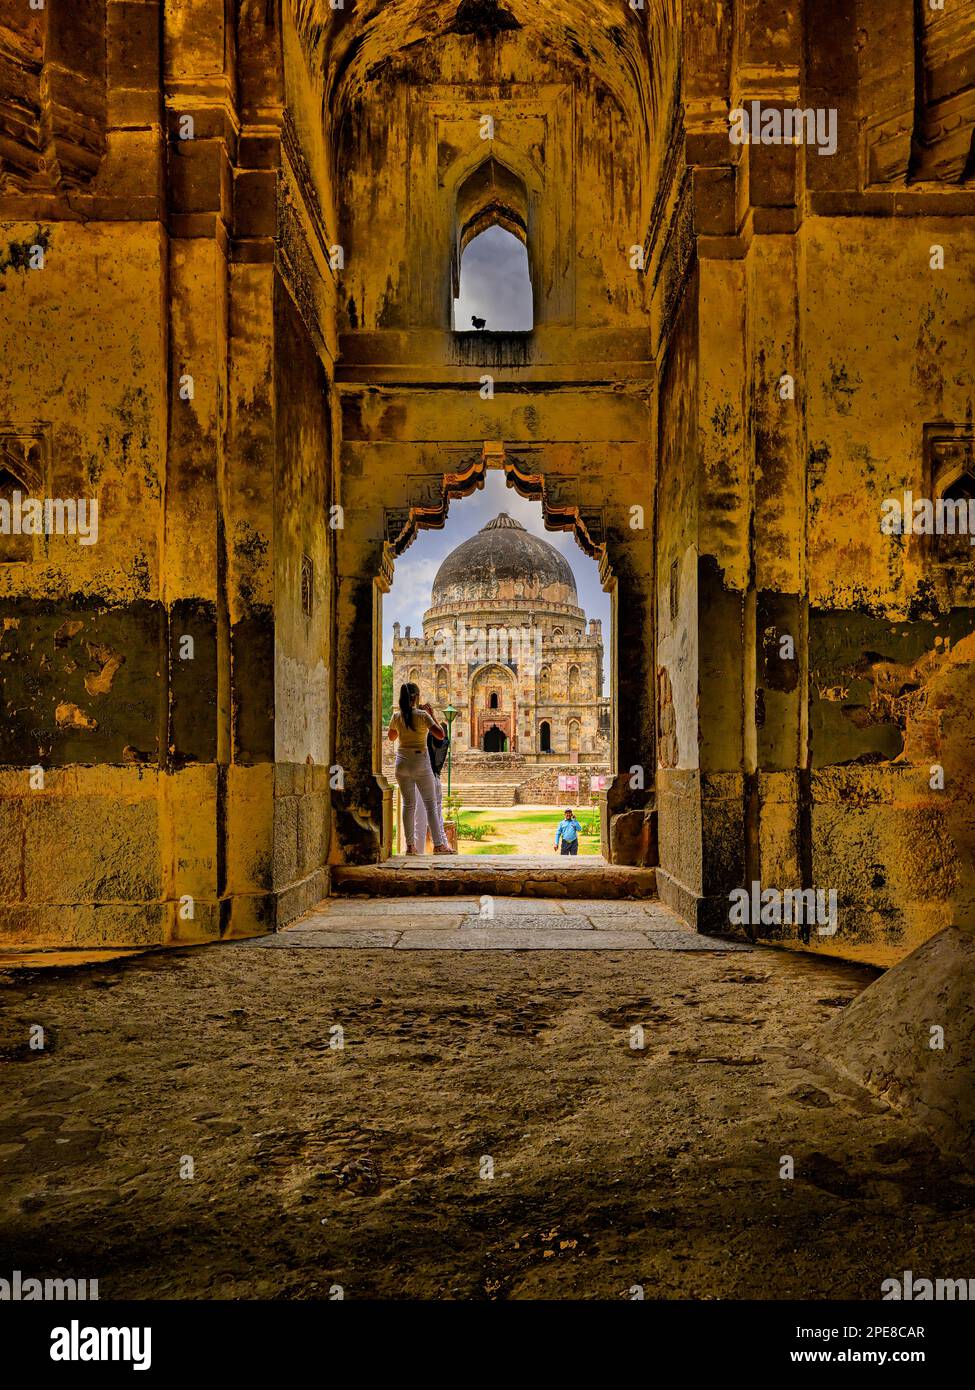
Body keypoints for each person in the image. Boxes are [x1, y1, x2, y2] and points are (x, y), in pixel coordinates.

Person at [387, 683, 456, 855]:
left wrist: (403, 727)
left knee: (408, 805)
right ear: (416, 697)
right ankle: (439, 845)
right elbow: (440, 734)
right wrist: (431, 716)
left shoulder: (397, 716)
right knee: (431, 805)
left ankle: (410, 847)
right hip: (420, 761)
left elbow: (391, 737)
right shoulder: (422, 715)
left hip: (401, 761)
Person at [413, 724, 450, 854]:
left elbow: (442, 740)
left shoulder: (424, 731)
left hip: (429, 774)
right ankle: (419, 851)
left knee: (431, 815)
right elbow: (441, 740)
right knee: (422, 816)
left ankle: (439, 846)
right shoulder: (420, 731)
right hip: (423, 774)